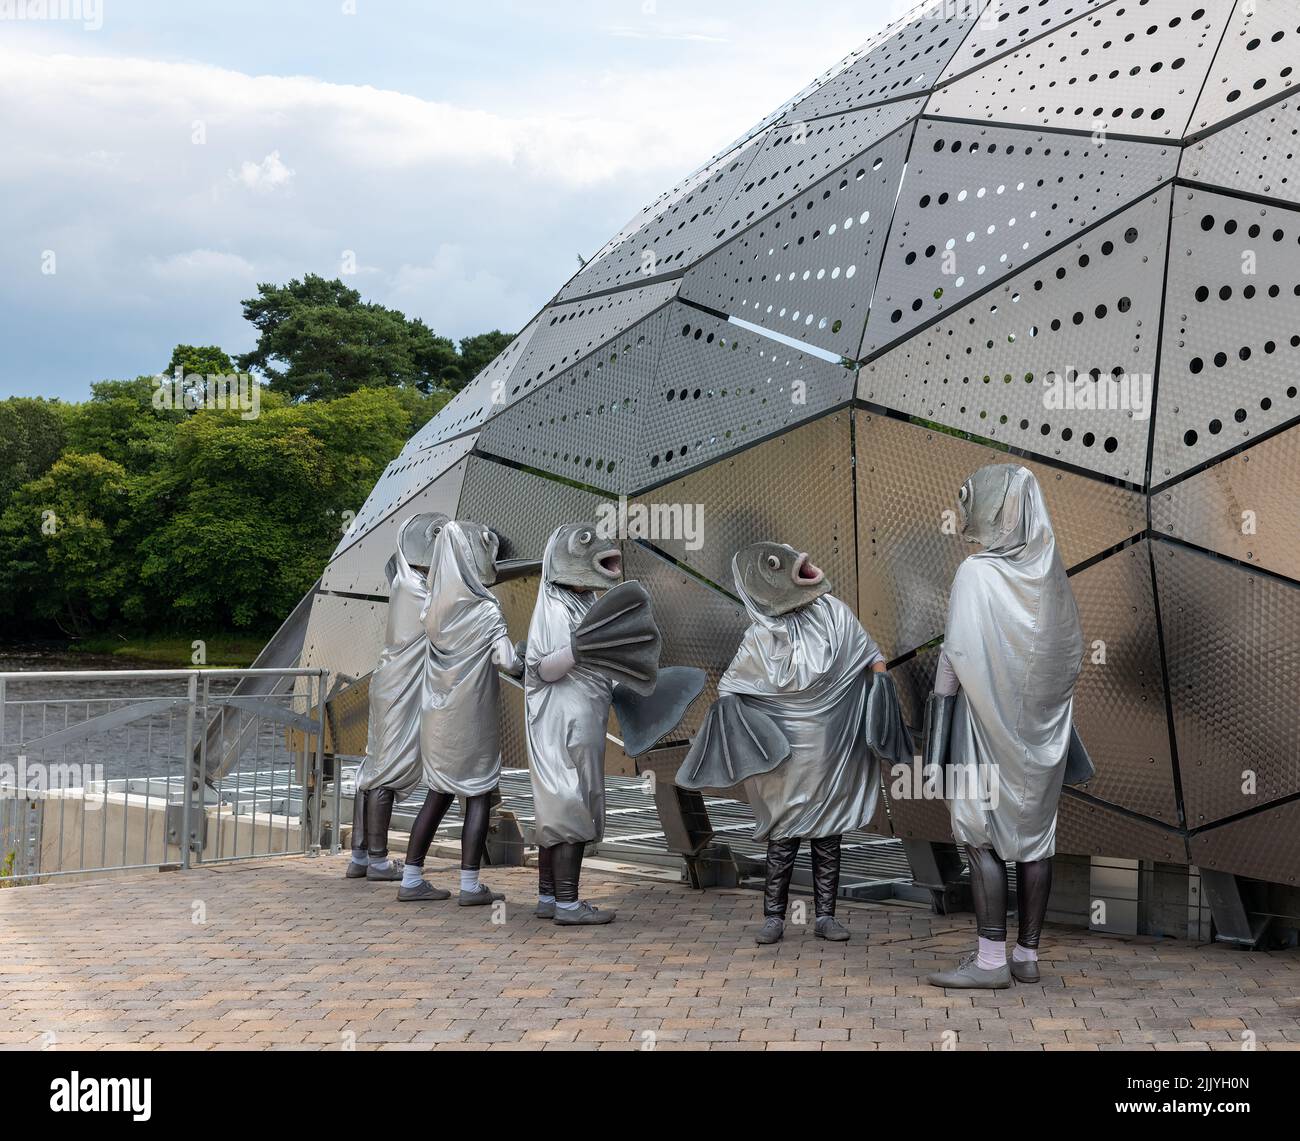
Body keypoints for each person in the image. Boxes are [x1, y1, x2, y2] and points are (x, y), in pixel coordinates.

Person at [677, 542, 911, 945]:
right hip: (783, 754)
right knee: (784, 832)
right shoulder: (761, 636)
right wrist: (736, 724)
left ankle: (825, 917)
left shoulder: (835, 614)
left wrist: (880, 692)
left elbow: (871, 654)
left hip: (833, 748)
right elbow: (732, 684)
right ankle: (774, 918)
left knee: (828, 832)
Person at [925, 464, 1084, 989]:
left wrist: (939, 718)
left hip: (980, 729)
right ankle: (1026, 956)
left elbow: (957, 654)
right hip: (1042, 734)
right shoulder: (1050, 575)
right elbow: (1069, 656)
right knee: (1036, 840)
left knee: (980, 836)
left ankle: (990, 962)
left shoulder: (976, 572)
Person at [525, 522, 661, 926]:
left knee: (563, 803)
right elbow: (543, 668)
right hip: (563, 721)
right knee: (568, 803)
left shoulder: (582, 603)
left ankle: (549, 897)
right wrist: (579, 648)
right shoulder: (554, 609)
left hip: (583, 718)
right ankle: (568, 904)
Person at [398, 520, 524, 905]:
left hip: (437, 717)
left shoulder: (433, 607)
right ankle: (470, 885)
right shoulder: (485, 609)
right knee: (479, 792)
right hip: (472, 715)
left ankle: (411, 877)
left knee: (437, 794)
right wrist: (522, 659)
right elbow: (506, 661)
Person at [346, 513, 444, 882]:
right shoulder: (416, 589)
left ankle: (361, 856)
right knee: (387, 771)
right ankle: (378, 860)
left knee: (373, 770)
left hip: (390, 685)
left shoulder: (404, 581)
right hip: (400, 688)